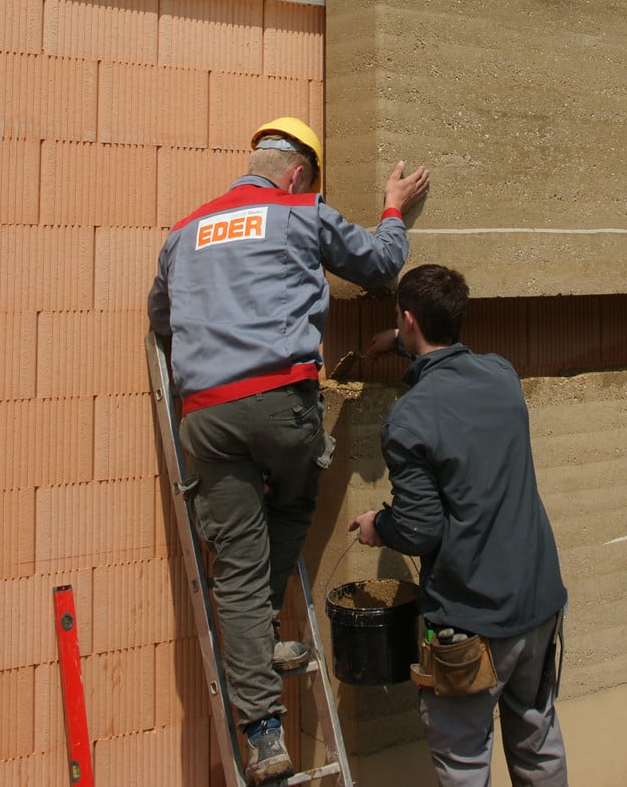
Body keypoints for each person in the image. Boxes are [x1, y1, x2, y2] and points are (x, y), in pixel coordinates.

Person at [148, 117, 429, 783]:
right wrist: (393, 207)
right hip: (280, 401)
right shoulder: (301, 212)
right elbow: (382, 264)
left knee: (234, 574)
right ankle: (269, 627)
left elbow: (162, 318)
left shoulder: (184, 232)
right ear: (299, 174)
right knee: (298, 497)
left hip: (206, 416)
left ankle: (264, 733)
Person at [349, 264, 568, 787]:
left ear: (407, 319)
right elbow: (442, 359)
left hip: (474, 622)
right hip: (537, 606)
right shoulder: (502, 375)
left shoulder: (408, 419)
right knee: (538, 746)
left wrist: (380, 524)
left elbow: (421, 530)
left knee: (466, 763)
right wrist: (402, 345)